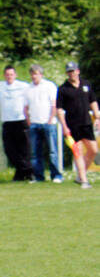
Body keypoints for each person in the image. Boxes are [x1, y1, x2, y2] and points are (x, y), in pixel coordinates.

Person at [56, 61, 98, 189]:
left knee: (93, 150)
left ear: (78, 71)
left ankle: (80, 175)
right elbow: (59, 109)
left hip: (86, 123)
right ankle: (84, 181)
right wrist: (64, 126)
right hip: (72, 125)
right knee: (78, 152)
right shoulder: (63, 89)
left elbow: (93, 101)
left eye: (73, 71)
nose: (72, 73)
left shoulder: (86, 84)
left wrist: (97, 116)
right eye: (69, 71)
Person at [25, 64, 63, 183]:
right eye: (32, 74)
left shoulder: (49, 86)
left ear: (41, 74)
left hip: (48, 123)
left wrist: (50, 119)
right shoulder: (28, 88)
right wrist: (29, 121)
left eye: (36, 74)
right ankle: (38, 176)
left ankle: (56, 175)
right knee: (35, 153)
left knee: (52, 151)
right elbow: (26, 107)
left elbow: (53, 104)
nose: (34, 76)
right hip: (34, 124)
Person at [0, 66, 32, 181]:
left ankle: (22, 174)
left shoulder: (24, 86)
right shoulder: (0, 86)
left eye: (11, 74)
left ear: (15, 75)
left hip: (20, 121)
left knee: (24, 149)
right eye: (7, 74)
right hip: (7, 122)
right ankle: (27, 170)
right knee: (9, 150)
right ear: (4, 76)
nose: (9, 77)